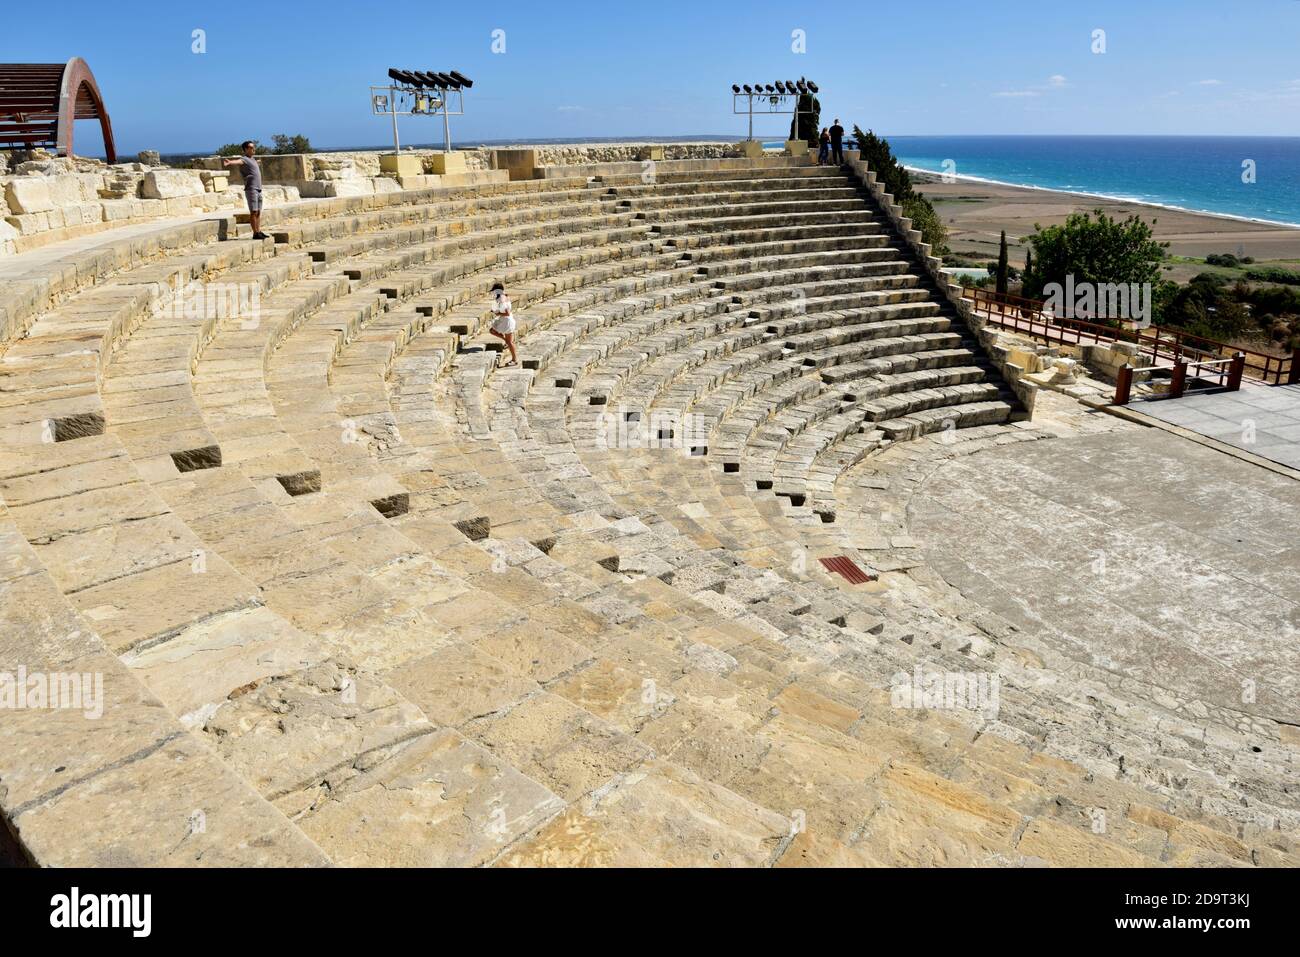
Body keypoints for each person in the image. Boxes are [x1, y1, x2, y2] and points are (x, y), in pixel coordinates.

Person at [223, 141, 267, 240]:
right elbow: (238, 161)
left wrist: (258, 162)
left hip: (258, 188)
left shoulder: (253, 159)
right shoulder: (245, 159)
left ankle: (258, 231)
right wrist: (230, 162)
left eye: (253, 147)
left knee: (259, 212)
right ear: (246, 149)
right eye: (251, 148)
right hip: (251, 189)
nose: (254, 149)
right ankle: (255, 233)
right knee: (253, 212)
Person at [487, 282, 518, 367]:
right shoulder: (505, 296)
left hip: (506, 321)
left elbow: (507, 313)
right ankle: (513, 358)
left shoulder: (501, 299)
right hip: (508, 320)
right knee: (508, 341)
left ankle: (514, 360)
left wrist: (497, 313)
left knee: (493, 331)